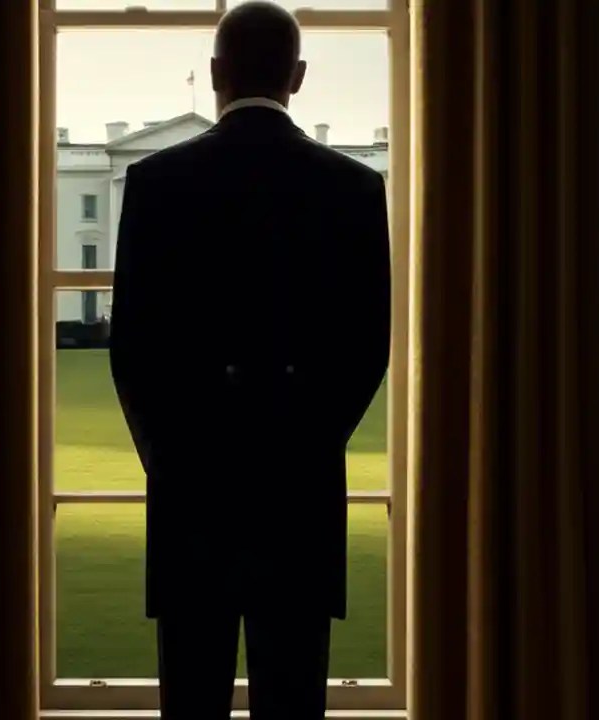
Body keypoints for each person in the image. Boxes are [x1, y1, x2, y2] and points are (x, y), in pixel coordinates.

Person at [108, 2, 391, 717]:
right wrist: (306, 446)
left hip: (191, 492)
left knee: (192, 700)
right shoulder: (355, 188)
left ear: (214, 75)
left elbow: (133, 352)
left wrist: (172, 463)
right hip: (299, 495)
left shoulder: (154, 183)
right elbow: (366, 351)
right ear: (298, 76)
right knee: (293, 700)